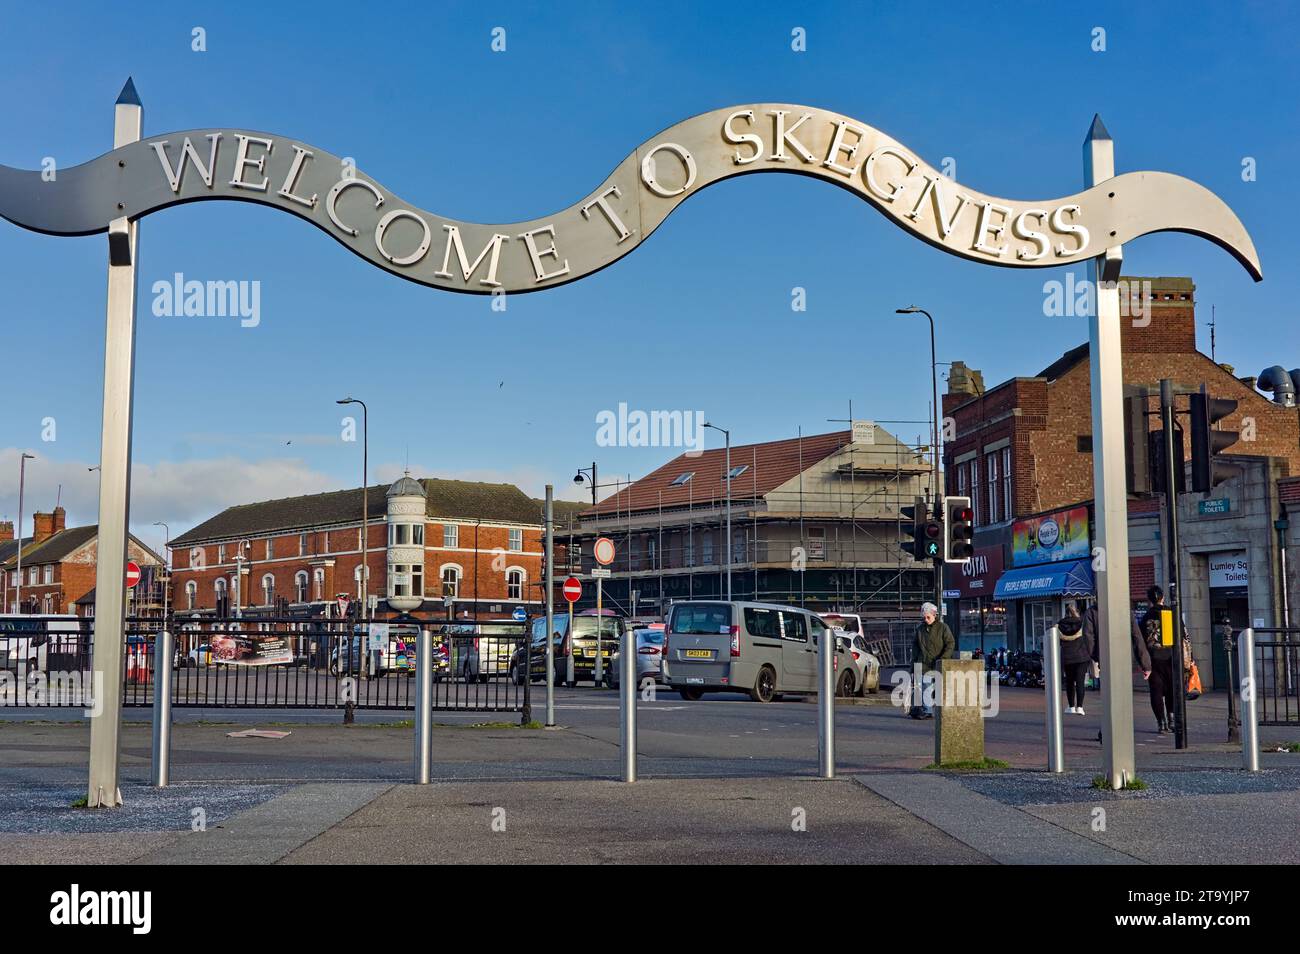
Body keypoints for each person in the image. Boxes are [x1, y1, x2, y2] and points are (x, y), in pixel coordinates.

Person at [1134, 585, 1176, 733]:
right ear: (1163, 597)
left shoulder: (1145, 617)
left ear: (1150, 600)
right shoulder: (1171, 613)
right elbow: (1182, 636)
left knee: (1156, 691)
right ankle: (1171, 719)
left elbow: (1139, 642)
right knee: (1172, 689)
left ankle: (1161, 722)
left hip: (1153, 659)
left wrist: (1143, 663)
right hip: (1171, 657)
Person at [911, 602, 955, 719]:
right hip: (924, 663)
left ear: (934, 615)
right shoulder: (920, 629)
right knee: (925, 685)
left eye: (928, 617)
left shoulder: (942, 628)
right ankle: (927, 710)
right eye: (924, 617)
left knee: (936, 688)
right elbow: (915, 648)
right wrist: (913, 666)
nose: (926, 619)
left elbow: (950, 643)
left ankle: (929, 709)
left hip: (938, 663)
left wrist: (944, 658)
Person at [1057, 602, 1093, 714]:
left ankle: (1071, 706)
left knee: (1069, 682)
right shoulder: (1083, 623)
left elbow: (1057, 642)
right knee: (1080, 682)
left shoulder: (1059, 625)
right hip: (1082, 657)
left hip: (1067, 658)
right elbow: (1088, 638)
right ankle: (1080, 707)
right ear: (1076, 612)